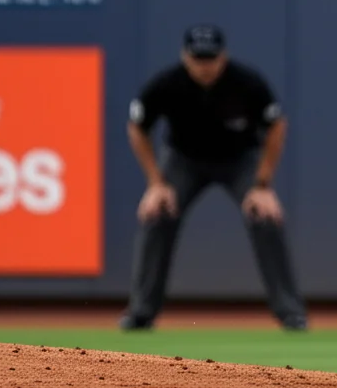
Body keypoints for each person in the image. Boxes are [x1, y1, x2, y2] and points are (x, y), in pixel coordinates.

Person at [120, 24, 308, 331]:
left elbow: (276, 127)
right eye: (197, 59)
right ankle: (141, 311)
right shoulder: (168, 84)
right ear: (185, 56)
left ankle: (291, 312)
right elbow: (137, 126)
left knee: (265, 215)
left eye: (211, 59)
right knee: (157, 213)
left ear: (224, 57)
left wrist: (262, 184)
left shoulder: (246, 82)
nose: (205, 67)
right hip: (184, 161)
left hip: (239, 160)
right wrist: (156, 183)